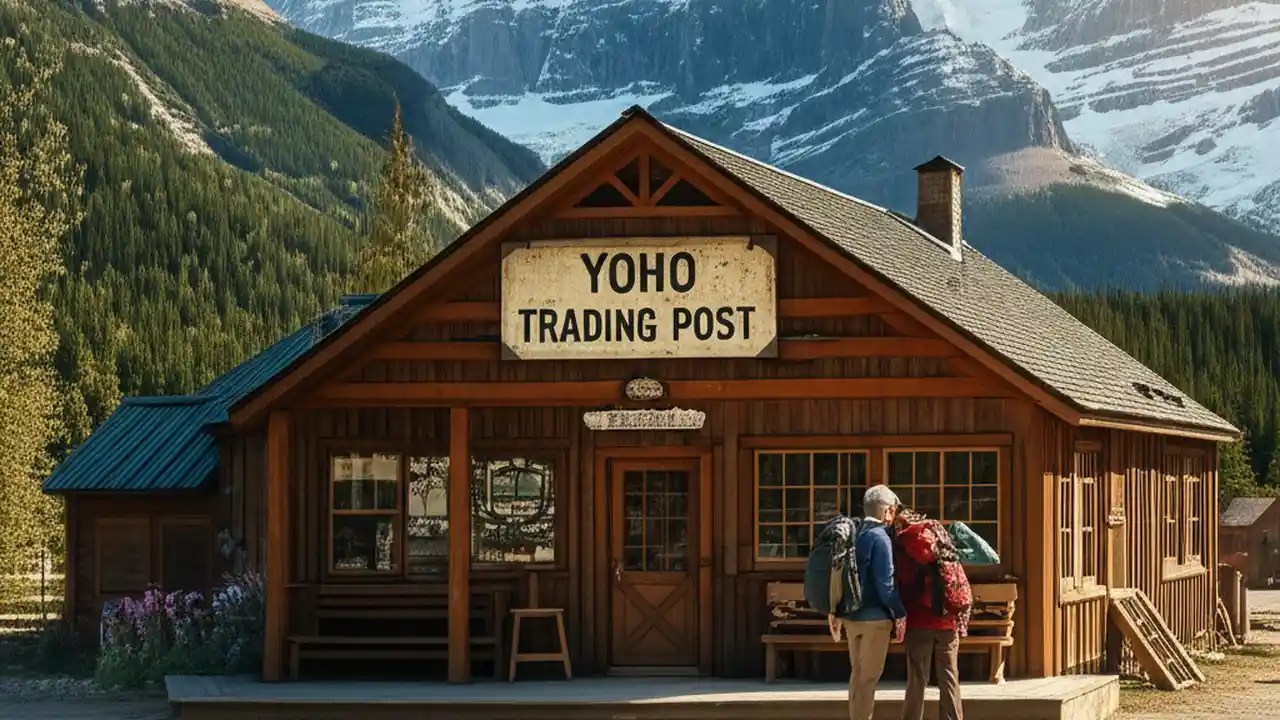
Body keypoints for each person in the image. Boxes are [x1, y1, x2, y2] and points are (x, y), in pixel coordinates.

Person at [842, 484, 907, 720]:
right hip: (875, 620)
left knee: (857, 677)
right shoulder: (880, 538)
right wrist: (899, 613)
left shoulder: (853, 533)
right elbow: (885, 584)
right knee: (868, 679)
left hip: (851, 618)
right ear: (888, 511)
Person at [894, 512, 967, 720]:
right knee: (949, 677)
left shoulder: (902, 545)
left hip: (918, 621)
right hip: (947, 621)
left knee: (917, 679)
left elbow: (901, 583)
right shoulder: (941, 537)